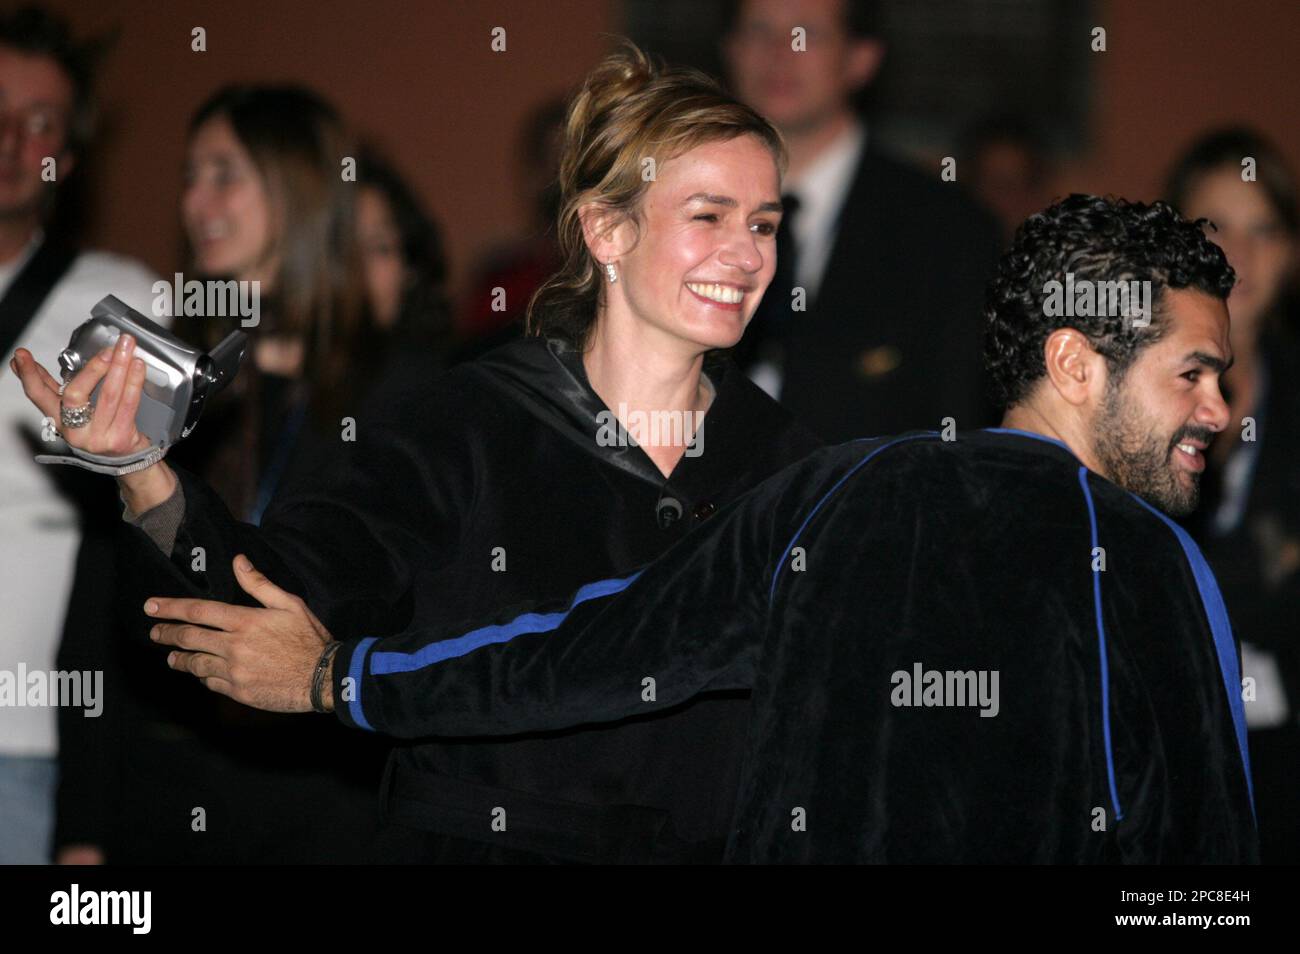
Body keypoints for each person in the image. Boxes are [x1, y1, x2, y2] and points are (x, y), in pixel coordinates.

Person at [153, 196, 1256, 864]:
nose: (1220, 410)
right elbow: (1204, 867)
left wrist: (344, 681)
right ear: (1072, 361)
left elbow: (589, 650)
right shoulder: (1156, 565)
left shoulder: (836, 487)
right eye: (1193, 374)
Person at [12, 43, 821, 863]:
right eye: (710, 216)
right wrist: (142, 471)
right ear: (606, 229)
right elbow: (276, 597)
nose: (749, 255)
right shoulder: (468, 421)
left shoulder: (787, 460)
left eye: (763, 224)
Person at [52, 85, 398, 864]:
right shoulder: (153, 375)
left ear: (297, 187)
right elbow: (93, 626)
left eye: (223, 172)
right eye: (188, 175)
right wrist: (80, 832)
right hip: (162, 798)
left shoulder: (394, 394)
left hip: (325, 804)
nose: (194, 199)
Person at [0, 5, 157, 865]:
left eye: (40, 123)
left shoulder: (125, 305)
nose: (10, 141)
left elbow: (167, 521)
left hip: (31, 741)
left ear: (71, 154)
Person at [723, 0, 1002, 439]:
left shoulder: (947, 230)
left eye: (806, 34)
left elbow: (960, 426)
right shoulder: (682, 211)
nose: (779, 52)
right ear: (732, 49)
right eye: (759, 31)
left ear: (861, 59)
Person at [1166, 127, 1300, 864]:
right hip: (1147, 765)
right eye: (1214, 228)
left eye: (1266, 230)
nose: (1238, 258)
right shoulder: (1112, 387)